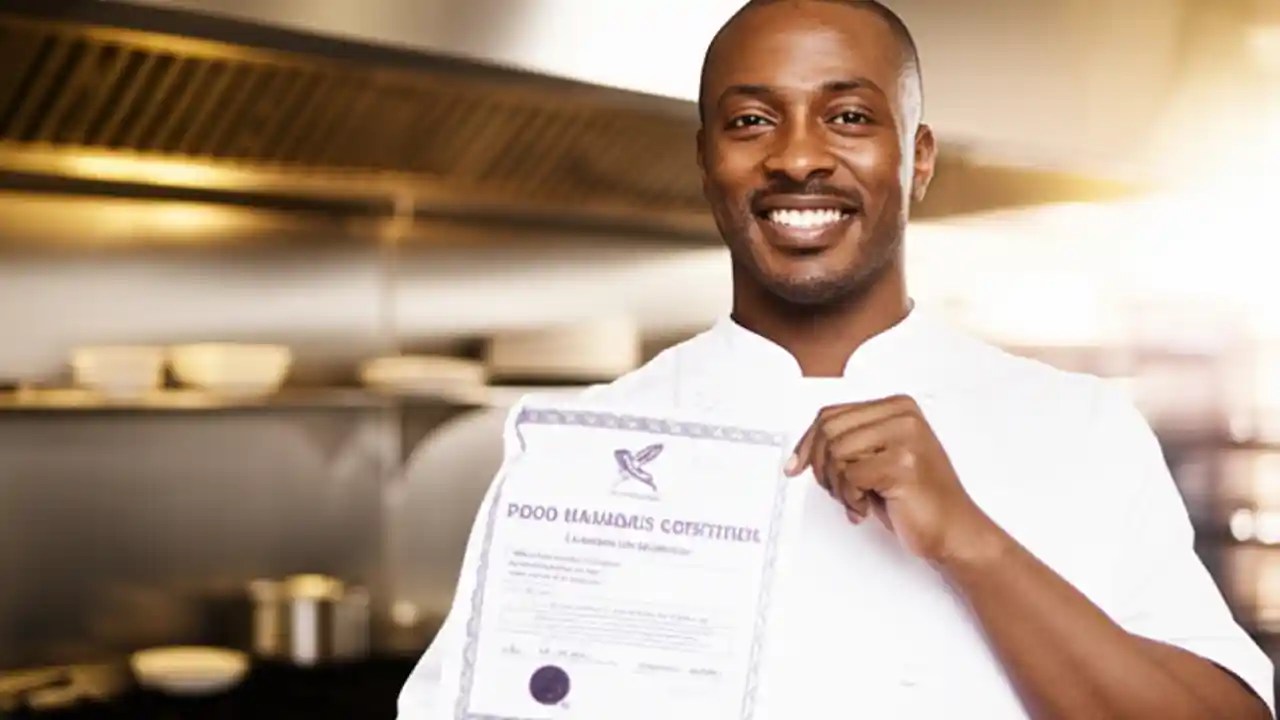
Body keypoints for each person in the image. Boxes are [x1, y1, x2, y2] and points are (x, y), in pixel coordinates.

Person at [398, 1, 1275, 717]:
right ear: (707, 163)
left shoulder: (1080, 427)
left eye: (849, 116)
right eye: (750, 120)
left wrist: (968, 541)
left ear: (917, 158)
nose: (799, 156)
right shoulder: (583, 449)